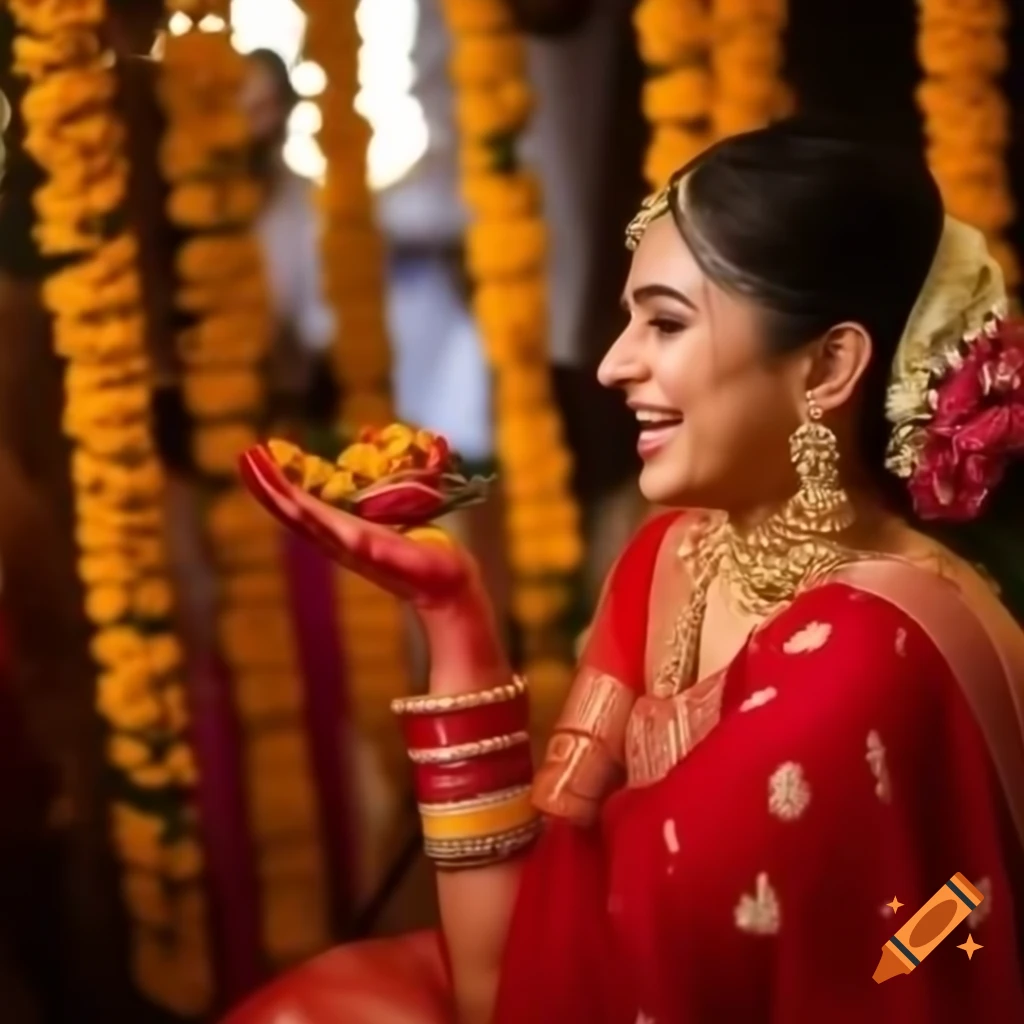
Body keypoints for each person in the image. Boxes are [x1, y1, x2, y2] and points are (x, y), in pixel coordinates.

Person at [227, 120, 1024, 1023]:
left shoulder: (875, 650)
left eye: (667, 323)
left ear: (828, 366)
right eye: (627, 320)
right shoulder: (670, 561)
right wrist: (454, 619)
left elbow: (891, 952)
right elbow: (520, 971)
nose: (613, 363)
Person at [240, 48, 334, 425]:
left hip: (290, 389)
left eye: (267, 103)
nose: (254, 114)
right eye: (244, 99)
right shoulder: (199, 201)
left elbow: (319, 319)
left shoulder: (305, 199)